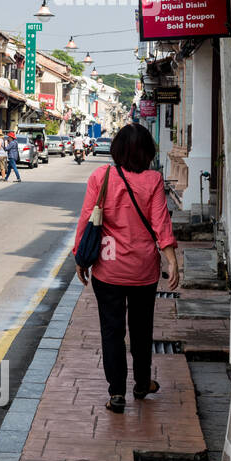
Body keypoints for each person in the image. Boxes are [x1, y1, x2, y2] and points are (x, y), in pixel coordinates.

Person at [73, 124, 181, 414]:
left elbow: (86, 219)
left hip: (107, 267)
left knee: (112, 331)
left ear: (117, 149)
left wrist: (79, 257)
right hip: (143, 270)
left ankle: (116, 393)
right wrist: (171, 260)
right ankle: (142, 383)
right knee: (142, 330)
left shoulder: (101, 176)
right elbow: (161, 222)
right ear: (147, 152)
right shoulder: (154, 180)